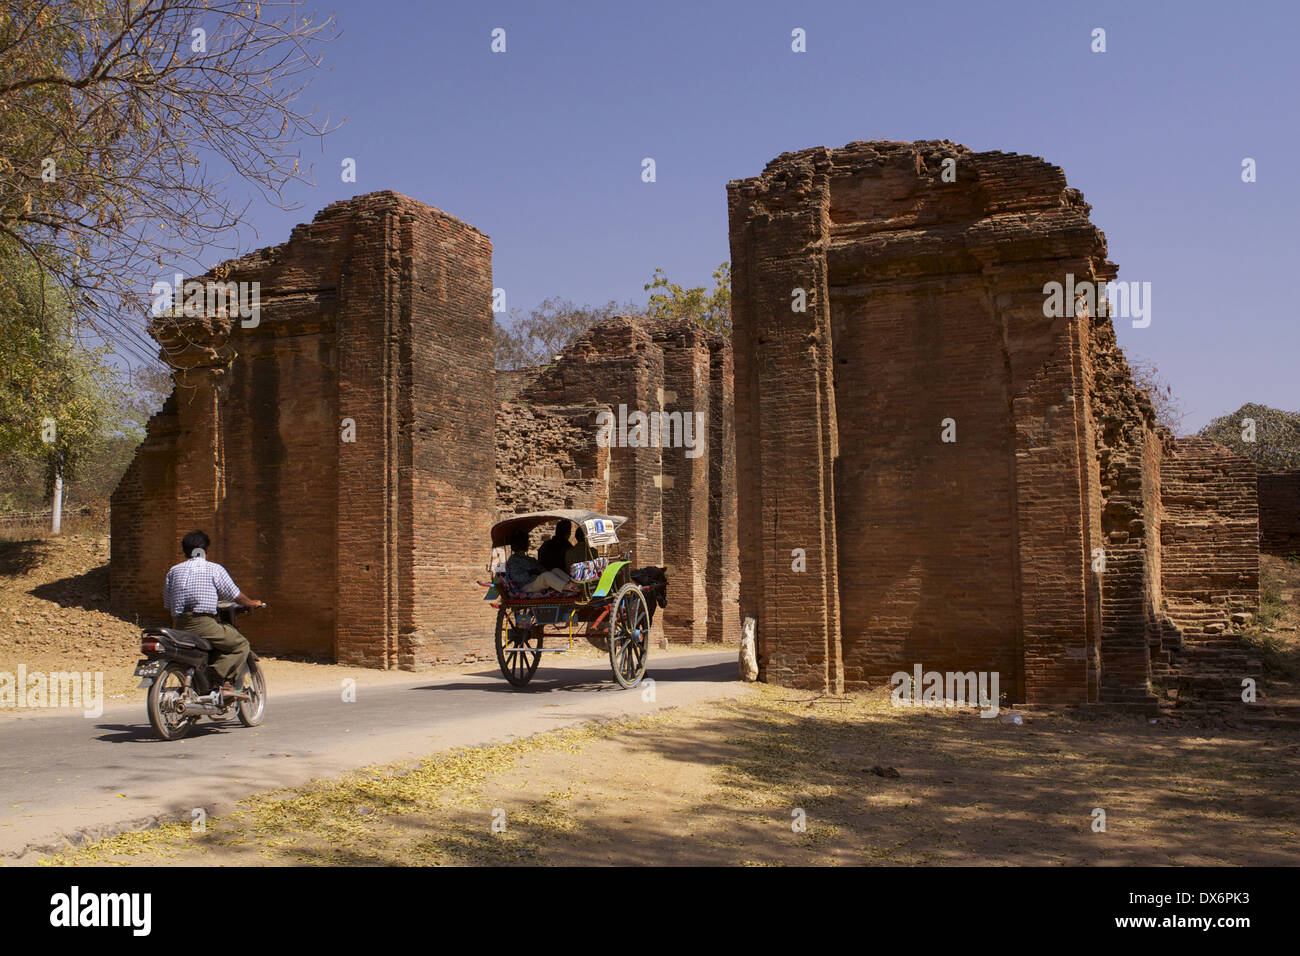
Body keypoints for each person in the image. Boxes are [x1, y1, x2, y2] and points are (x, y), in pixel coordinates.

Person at [163, 530, 265, 701]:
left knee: (218, 640)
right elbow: (234, 595)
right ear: (205, 551)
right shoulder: (213, 568)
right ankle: (221, 680)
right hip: (203, 623)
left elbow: (167, 603)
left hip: (179, 625)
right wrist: (252, 603)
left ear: (185, 551)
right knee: (240, 644)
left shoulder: (173, 571)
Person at [506, 528, 573, 593]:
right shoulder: (513, 560)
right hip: (527, 585)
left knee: (555, 570)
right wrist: (530, 573)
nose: (529, 543)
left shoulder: (529, 559)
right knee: (546, 576)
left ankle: (574, 583)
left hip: (537, 581)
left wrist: (543, 571)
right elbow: (516, 577)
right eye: (527, 541)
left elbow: (542, 570)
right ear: (522, 543)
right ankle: (569, 587)